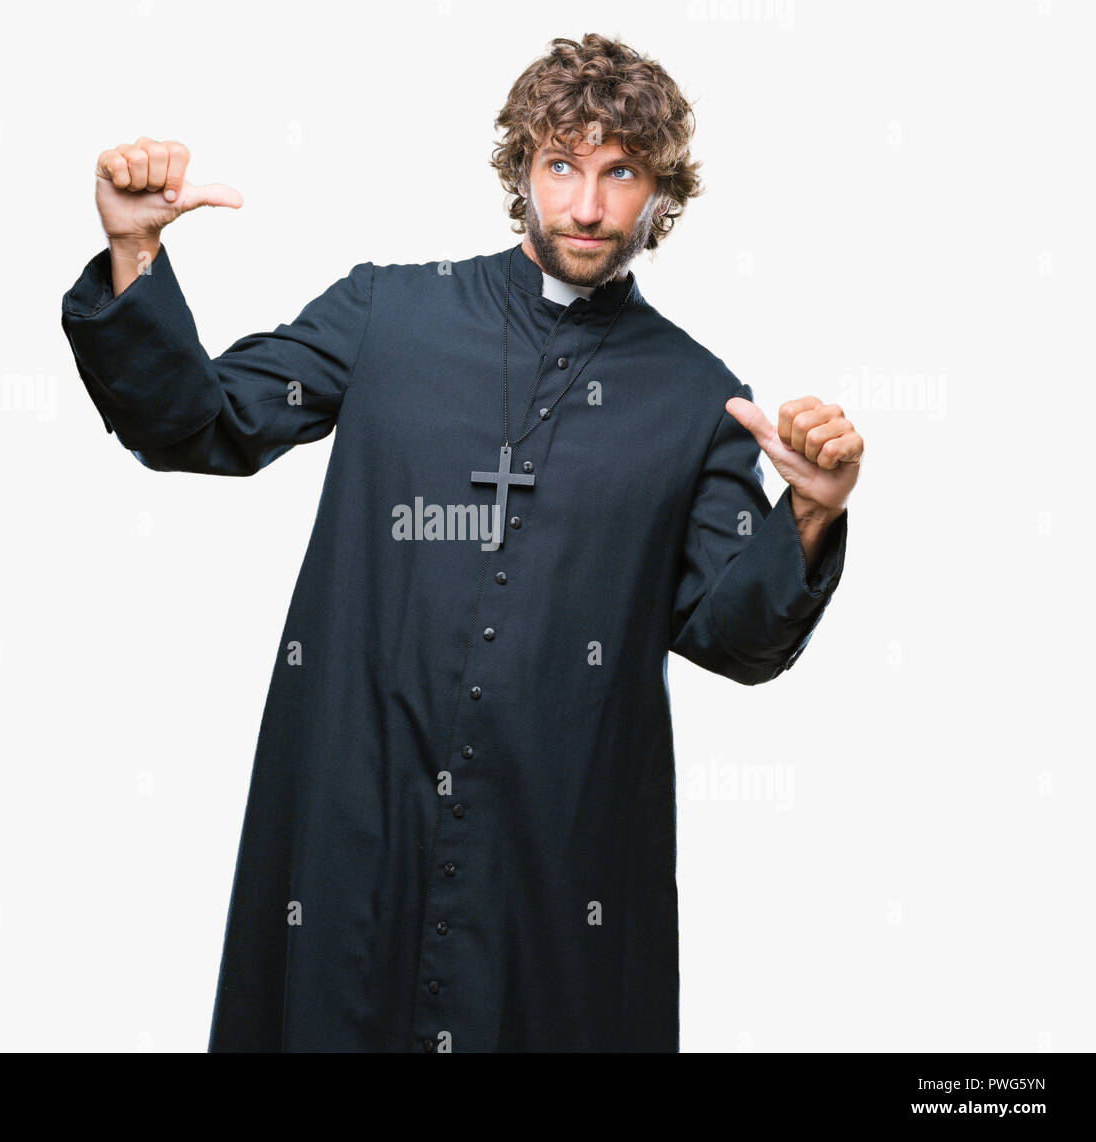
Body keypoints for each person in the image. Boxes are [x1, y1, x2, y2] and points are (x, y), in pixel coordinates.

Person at [60, 32, 862, 1052]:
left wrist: (810, 512)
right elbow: (197, 425)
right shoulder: (386, 312)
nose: (586, 204)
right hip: (355, 816)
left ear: (662, 195)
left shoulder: (700, 397)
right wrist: (136, 251)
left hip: (555, 858)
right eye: (562, 163)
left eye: (622, 173)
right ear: (519, 168)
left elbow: (734, 638)